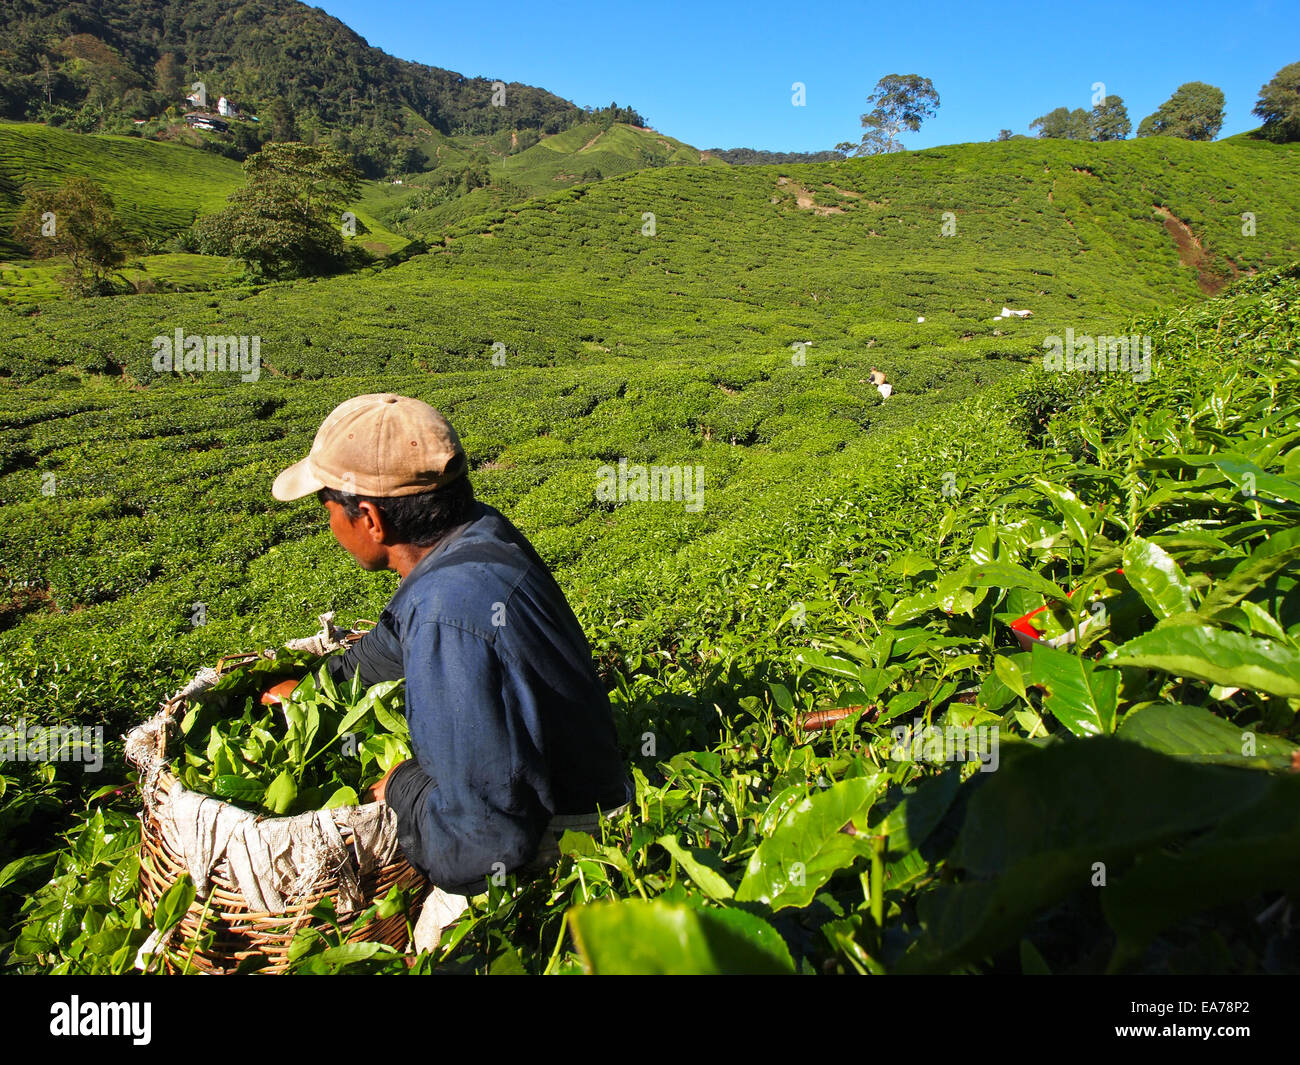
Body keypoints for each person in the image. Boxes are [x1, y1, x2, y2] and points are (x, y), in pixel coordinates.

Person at [264, 393, 632, 921]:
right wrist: (314, 692)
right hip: (580, 784)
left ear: (369, 518)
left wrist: (401, 785)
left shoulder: (447, 614)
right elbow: (389, 645)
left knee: (429, 937)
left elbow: (479, 846)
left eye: (325, 504)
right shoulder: (477, 533)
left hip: (563, 837)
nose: (328, 524)